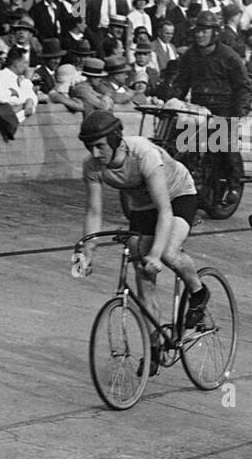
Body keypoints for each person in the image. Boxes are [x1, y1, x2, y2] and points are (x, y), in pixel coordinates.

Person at [75, 110, 210, 370]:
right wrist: (88, 249)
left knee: (168, 254)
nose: (94, 153)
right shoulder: (92, 167)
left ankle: (199, 291)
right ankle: (156, 345)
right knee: (143, 280)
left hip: (177, 195)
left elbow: (165, 211)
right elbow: (93, 211)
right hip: (142, 206)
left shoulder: (143, 153)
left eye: (100, 146)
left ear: (115, 140)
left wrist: (156, 254)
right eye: (89, 147)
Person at [166, 12, 251, 208]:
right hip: (198, 108)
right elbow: (181, 82)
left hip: (224, 109)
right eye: (198, 31)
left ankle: (233, 185)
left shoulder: (229, 56)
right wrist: (172, 99)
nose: (200, 35)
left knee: (225, 143)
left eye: (204, 31)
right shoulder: (190, 55)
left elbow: (243, 87)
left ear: (215, 33)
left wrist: (238, 115)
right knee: (176, 141)